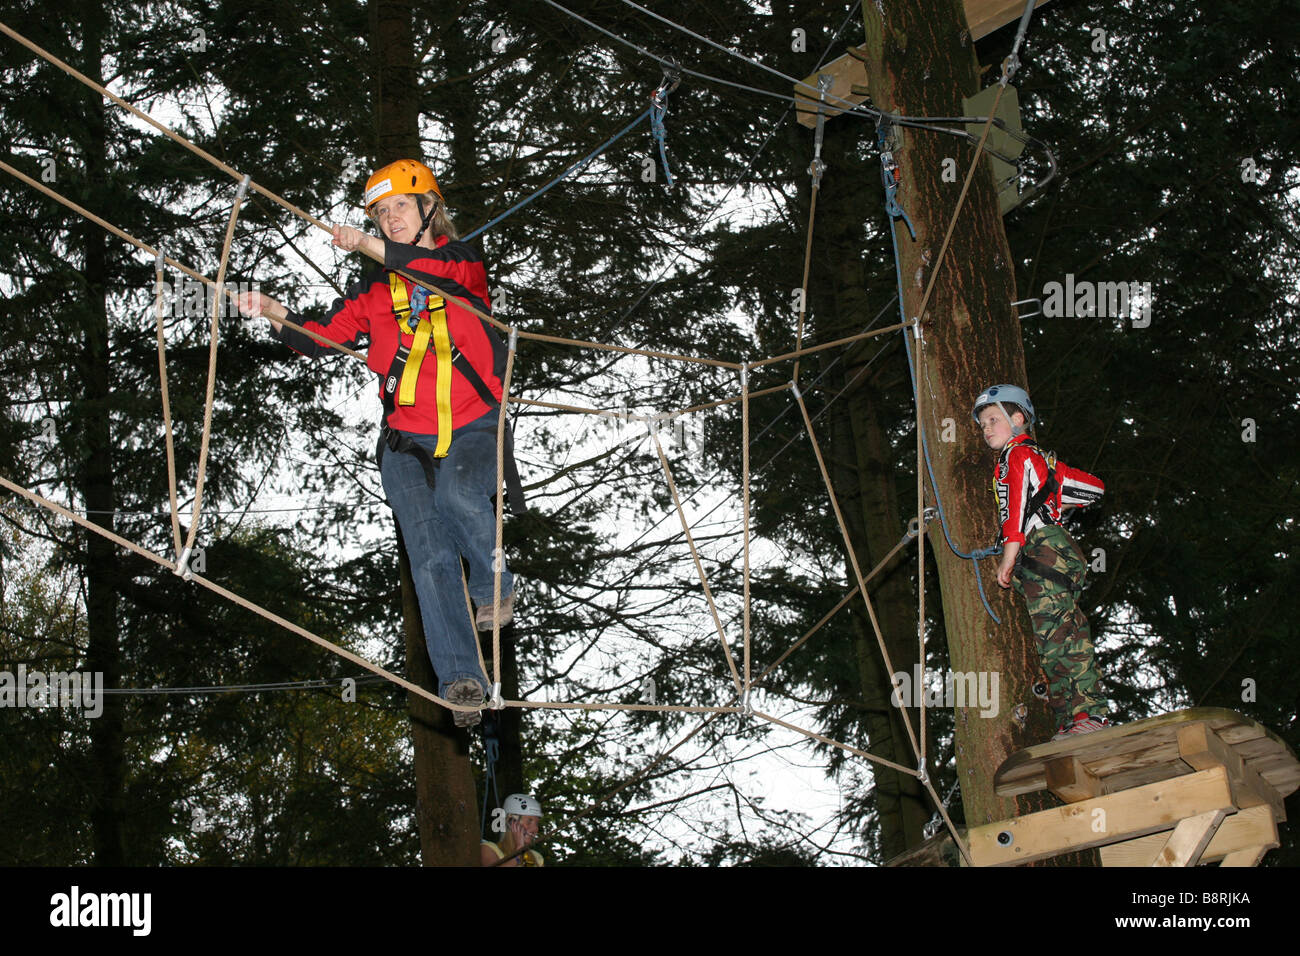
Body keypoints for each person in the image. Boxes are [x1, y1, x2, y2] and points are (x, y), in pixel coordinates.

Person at [237, 159, 520, 728]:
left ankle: (495, 585)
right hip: (406, 445)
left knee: (461, 497)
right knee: (430, 557)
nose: (390, 219)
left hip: (475, 426)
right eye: (380, 212)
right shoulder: (374, 294)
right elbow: (320, 338)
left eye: (400, 207)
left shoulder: (463, 265)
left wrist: (366, 242)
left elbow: (431, 267)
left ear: (429, 210)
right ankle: (461, 679)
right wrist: (272, 312)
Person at [972, 384, 1108, 740]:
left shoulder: (1017, 455)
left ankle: (1086, 715)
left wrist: (1009, 554)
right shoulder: (1040, 461)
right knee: (1059, 631)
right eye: (982, 423)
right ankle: (1074, 718)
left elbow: (1016, 506)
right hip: (1054, 551)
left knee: (1058, 635)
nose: (986, 429)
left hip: (1041, 548)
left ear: (1018, 419)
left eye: (992, 419)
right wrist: (1052, 489)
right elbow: (1094, 489)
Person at [480, 793, 544, 867]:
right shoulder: (488, 849)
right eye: (529, 821)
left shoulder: (536, 858)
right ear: (511, 821)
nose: (535, 829)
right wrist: (519, 850)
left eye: (537, 824)